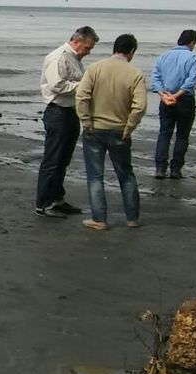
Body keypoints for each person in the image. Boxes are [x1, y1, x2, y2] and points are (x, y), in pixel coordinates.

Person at [75, 33, 147, 230]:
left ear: (114, 48)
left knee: (95, 175)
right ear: (131, 51)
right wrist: (130, 126)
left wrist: (86, 120)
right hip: (119, 130)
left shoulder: (95, 68)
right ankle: (132, 218)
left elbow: (82, 96)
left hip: (94, 129)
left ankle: (99, 219)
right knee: (126, 174)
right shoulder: (135, 74)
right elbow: (139, 106)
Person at [35, 26, 98, 218]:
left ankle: (57, 198)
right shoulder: (59, 57)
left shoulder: (75, 59)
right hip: (58, 111)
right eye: (87, 47)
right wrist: (84, 86)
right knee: (53, 159)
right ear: (76, 41)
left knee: (63, 159)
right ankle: (44, 203)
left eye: (90, 49)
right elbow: (57, 85)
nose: (87, 52)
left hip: (71, 111)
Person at [149, 30, 196, 179]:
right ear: (192, 42)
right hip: (184, 99)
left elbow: (155, 78)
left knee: (164, 133)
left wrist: (163, 94)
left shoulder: (163, 56)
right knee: (182, 135)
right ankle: (176, 168)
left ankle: (160, 168)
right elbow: (191, 81)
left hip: (165, 98)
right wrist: (176, 95)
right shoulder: (192, 57)